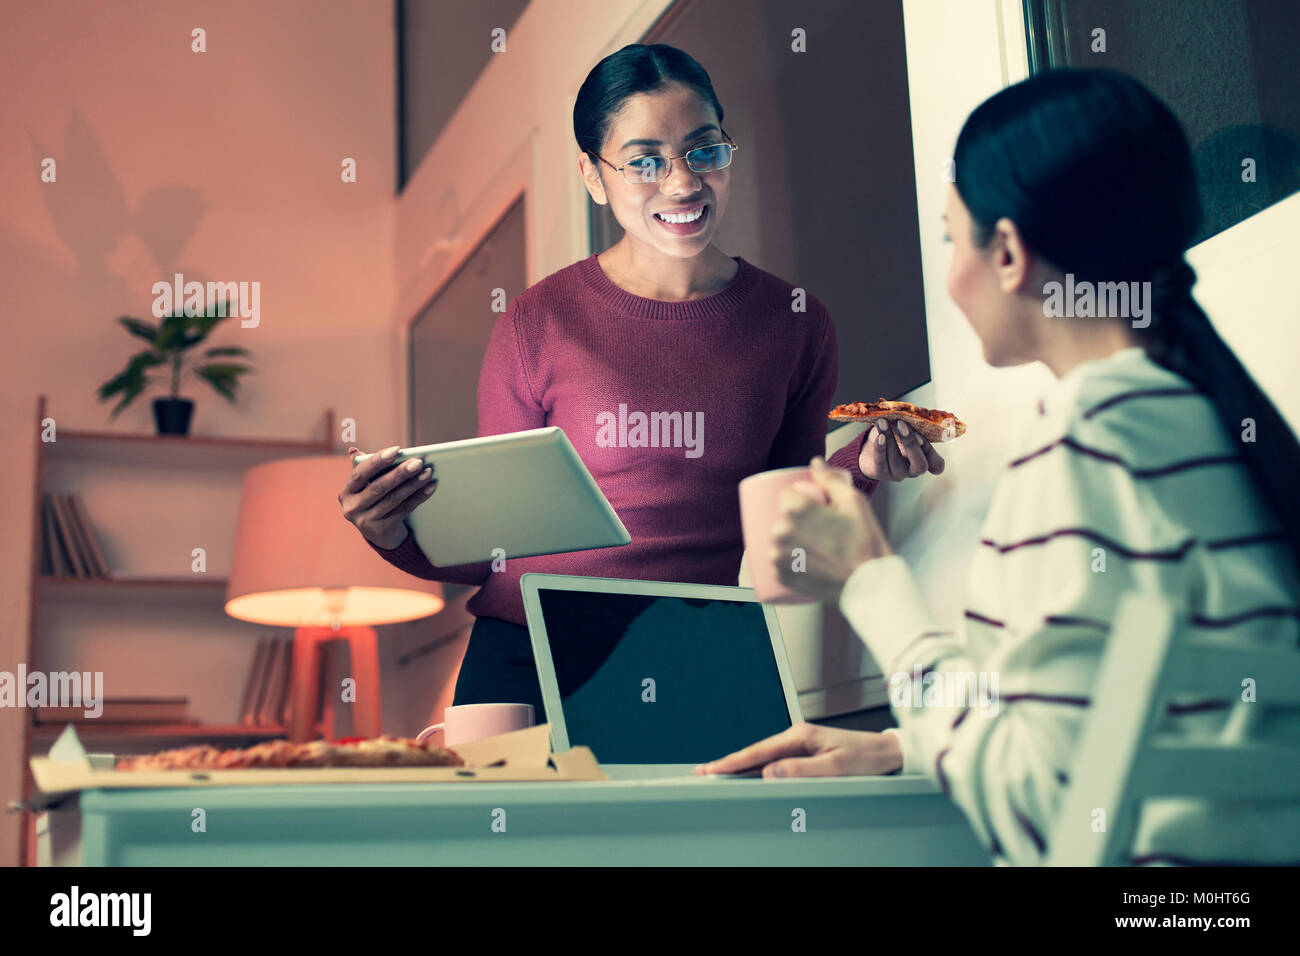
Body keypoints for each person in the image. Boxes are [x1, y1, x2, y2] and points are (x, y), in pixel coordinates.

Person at [696, 68, 1300, 866]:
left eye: (953, 240)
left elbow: (1044, 813)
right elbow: (1101, 739)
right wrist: (905, 748)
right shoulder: (1204, 421)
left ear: (1009, 252)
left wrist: (870, 580)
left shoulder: (1087, 440)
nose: (951, 277)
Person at [338, 43, 940, 716]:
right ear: (594, 177)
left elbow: (784, 515)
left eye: (703, 150)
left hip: (702, 647)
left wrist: (864, 462)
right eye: (645, 161)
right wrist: (389, 532)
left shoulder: (794, 322)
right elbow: (492, 548)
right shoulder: (537, 321)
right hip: (526, 655)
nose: (682, 184)